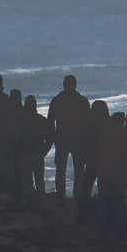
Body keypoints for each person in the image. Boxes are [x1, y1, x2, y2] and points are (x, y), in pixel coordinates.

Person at [47, 74, 90, 203]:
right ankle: (78, 195)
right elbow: (88, 122)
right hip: (77, 139)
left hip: (62, 138)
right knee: (78, 169)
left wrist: (53, 137)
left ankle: (61, 195)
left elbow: (50, 121)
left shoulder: (57, 100)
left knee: (61, 169)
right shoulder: (82, 101)